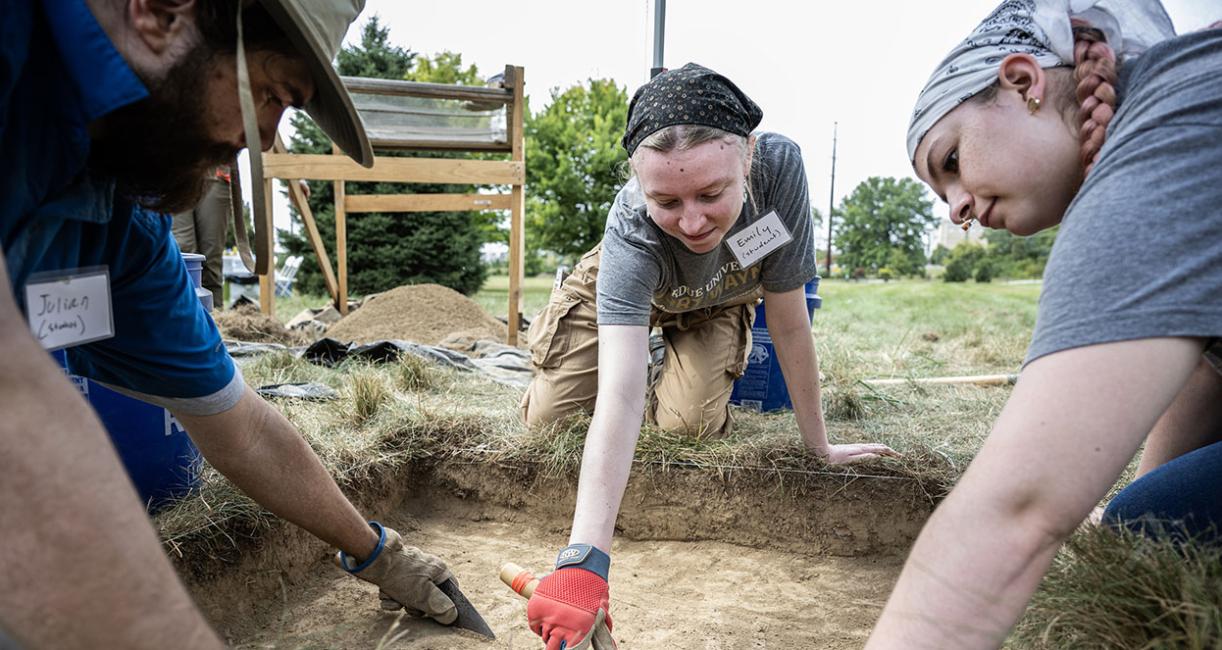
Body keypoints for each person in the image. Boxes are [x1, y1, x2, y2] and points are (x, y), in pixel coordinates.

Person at [0, 2, 458, 648]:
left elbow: (239, 427)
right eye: (271, 93)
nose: (265, 137)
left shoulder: (121, 217)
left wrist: (379, 553)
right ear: (160, 11)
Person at [867, 1, 1222, 647]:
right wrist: (1126, 533)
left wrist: (1100, 518)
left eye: (951, 162)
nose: (957, 210)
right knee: (1149, 517)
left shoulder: (1162, 142)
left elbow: (1016, 511)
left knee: (1158, 520)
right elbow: (1207, 367)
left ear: (1024, 81)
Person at [520, 63, 896, 650]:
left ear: (748, 155)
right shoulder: (633, 232)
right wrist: (583, 562)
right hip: (631, 292)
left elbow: (792, 323)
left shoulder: (781, 172)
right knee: (546, 423)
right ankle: (615, 352)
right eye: (666, 199)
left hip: (721, 293)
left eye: (712, 194)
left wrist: (818, 445)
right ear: (638, 182)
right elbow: (618, 394)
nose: (691, 221)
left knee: (690, 427)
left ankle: (667, 372)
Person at [172, 166, 233, 307]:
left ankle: (216, 320)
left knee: (211, 259)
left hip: (216, 172)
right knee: (185, 253)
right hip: (176, 171)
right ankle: (184, 320)